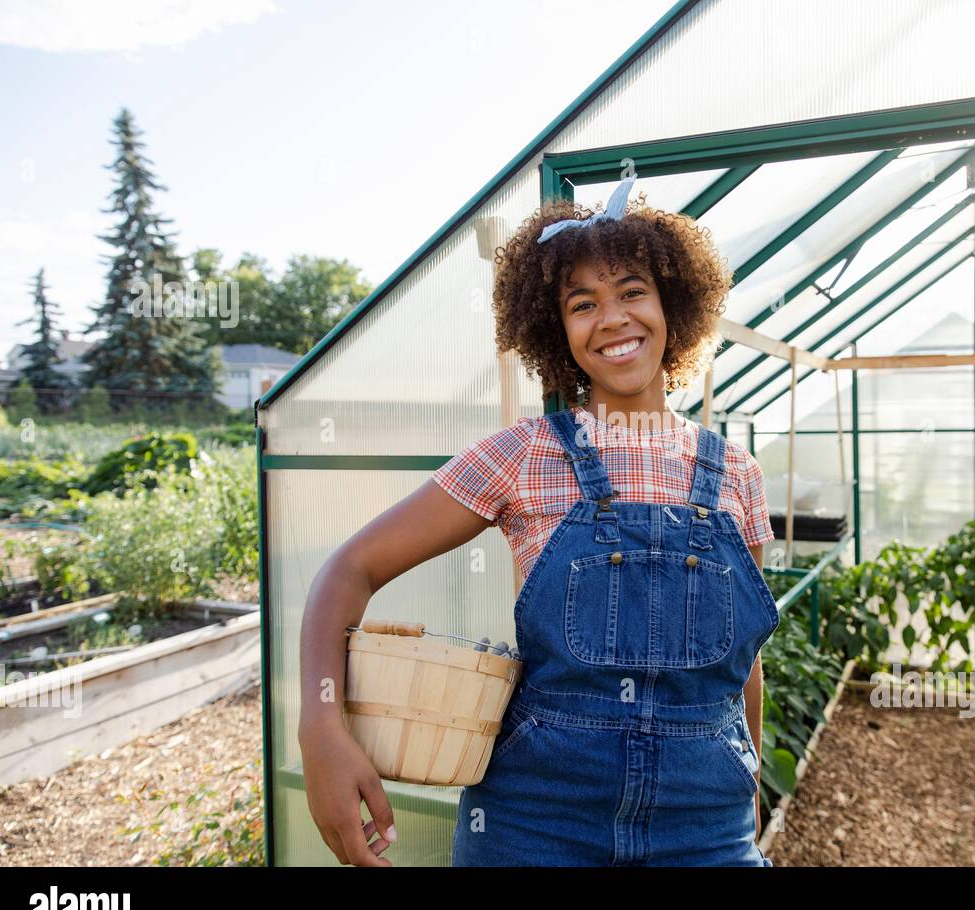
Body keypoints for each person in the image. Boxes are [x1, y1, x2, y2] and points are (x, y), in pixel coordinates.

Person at [297, 176, 780, 867]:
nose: (611, 318)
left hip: (705, 824)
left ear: (673, 306)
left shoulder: (738, 475)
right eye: (582, 304)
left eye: (632, 292)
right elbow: (350, 569)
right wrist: (321, 726)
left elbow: (744, 657)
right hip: (534, 826)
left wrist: (751, 771)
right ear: (557, 332)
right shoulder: (522, 457)